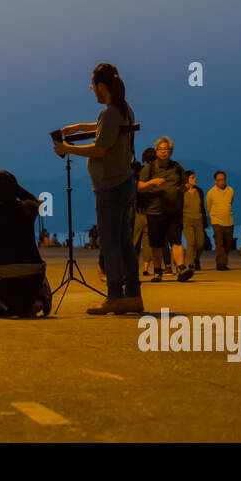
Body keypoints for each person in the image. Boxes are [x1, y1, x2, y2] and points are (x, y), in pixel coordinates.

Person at [53, 63, 141, 314]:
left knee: (111, 243)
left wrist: (67, 149)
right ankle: (133, 294)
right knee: (123, 241)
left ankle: (114, 295)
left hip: (109, 186)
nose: (93, 90)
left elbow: (99, 149)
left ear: (102, 86)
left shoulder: (110, 113)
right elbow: (105, 127)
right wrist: (80, 128)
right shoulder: (125, 109)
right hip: (124, 183)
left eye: (93, 86)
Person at [0, 171, 52, 317]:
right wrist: (17, 189)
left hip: (4, 280)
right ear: (15, 190)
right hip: (33, 279)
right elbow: (33, 201)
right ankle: (34, 300)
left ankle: (0, 301)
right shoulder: (28, 208)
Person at [138, 137, 193, 282]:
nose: (163, 152)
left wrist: (183, 188)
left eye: (166, 150)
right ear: (156, 151)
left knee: (176, 240)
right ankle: (157, 271)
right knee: (156, 244)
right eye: (160, 149)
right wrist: (152, 182)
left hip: (173, 211)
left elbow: (184, 184)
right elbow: (140, 187)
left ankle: (181, 269)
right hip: (155, 211)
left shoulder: (177, 167)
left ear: (171, 152)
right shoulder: (149, 168)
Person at [206, 171, 235, 271]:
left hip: (229, 221)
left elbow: (230, 203)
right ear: (215, 181)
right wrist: (213, 216)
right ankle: (222, 264)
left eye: (223, 179)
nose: (222, 182)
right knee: (219, 243)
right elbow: (208, 207)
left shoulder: (231, 190)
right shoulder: (211, 193)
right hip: (216, 221)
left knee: (228, 244)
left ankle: (220, 260)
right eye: (219, 180)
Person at [182, 170, 209, 272]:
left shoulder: (199, 191)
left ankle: (196, 259)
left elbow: (202, 207)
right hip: (186, 220)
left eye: (195, 177)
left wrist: (205, 221)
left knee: (201, 243)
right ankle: (191, 264)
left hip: (198, 219)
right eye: (192, 177)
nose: (195, 179)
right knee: (190, 242)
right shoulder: (182, 191)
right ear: (187, 179)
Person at [134, 147, 155, 277]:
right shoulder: (156, 173)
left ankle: (133, 267)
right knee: (147, 242)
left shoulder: (139, 173)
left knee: (134, 241)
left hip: (139, 211)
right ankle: (146, 267)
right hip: (151, 212)